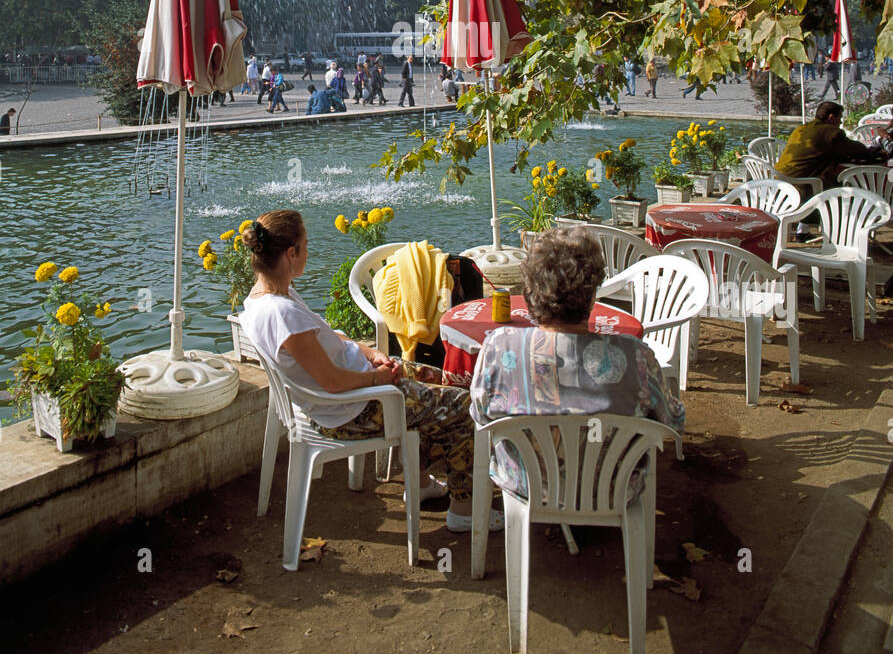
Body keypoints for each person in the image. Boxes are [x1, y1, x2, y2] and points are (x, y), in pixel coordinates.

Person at [239, 211, 502, 532]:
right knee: (464, 407)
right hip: (353, 408)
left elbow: (332, 338)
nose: (309, 252)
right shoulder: (281, 314)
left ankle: (421, 483)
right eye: (306, 246)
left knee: (440, 380)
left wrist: (373, 354)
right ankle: (466, 511)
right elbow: (332, 382)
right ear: (291, 253)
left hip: (359, 384)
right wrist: (379, 377)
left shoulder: (269, 296)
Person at [470, 228, 685, 495]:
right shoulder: (636, 357)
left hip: (530, 490)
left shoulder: (499, 348)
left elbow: (481, 414)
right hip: (611, 492)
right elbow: (672, 422)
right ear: (592, 295)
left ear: (529, 292)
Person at [775, 101, 891, 190]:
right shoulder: (830, 132)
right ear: (831, 117)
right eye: (839, 118)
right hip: (799, 186)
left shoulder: (801, 129)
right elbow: (859, 150)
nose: (840, 122)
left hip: (778, 181)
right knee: (839, 186)